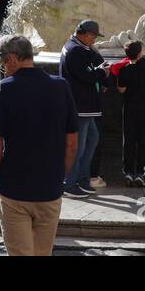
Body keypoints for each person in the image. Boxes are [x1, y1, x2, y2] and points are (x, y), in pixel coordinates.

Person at [0, 34, 78, 256]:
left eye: (1, 62)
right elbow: (72, 144)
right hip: (49, 187)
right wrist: (59, 175)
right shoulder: (61, 86)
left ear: (11, 58)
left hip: (13, 188)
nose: (2, 68)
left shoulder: (3, 90)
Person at [59, 19, 111, 197]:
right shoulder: (75, 50)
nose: (94, 40)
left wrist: (99, 72)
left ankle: (81, 179)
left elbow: (92, 66)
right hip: (80, 105)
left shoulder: (77, 47)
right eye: (94, 36)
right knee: (78, 145)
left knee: (91, 139)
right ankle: (70, 182)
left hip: (84, 106)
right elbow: (86, 75)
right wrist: (101, 73)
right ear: (85, 34)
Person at [117, 37, 145, 186]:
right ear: (140, 54)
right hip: (144, 106)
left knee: (128, 139)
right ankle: (140, 173)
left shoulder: (124, 70)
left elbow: (121, 90)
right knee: (143, 140)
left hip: (129, 106)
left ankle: (128, 172)